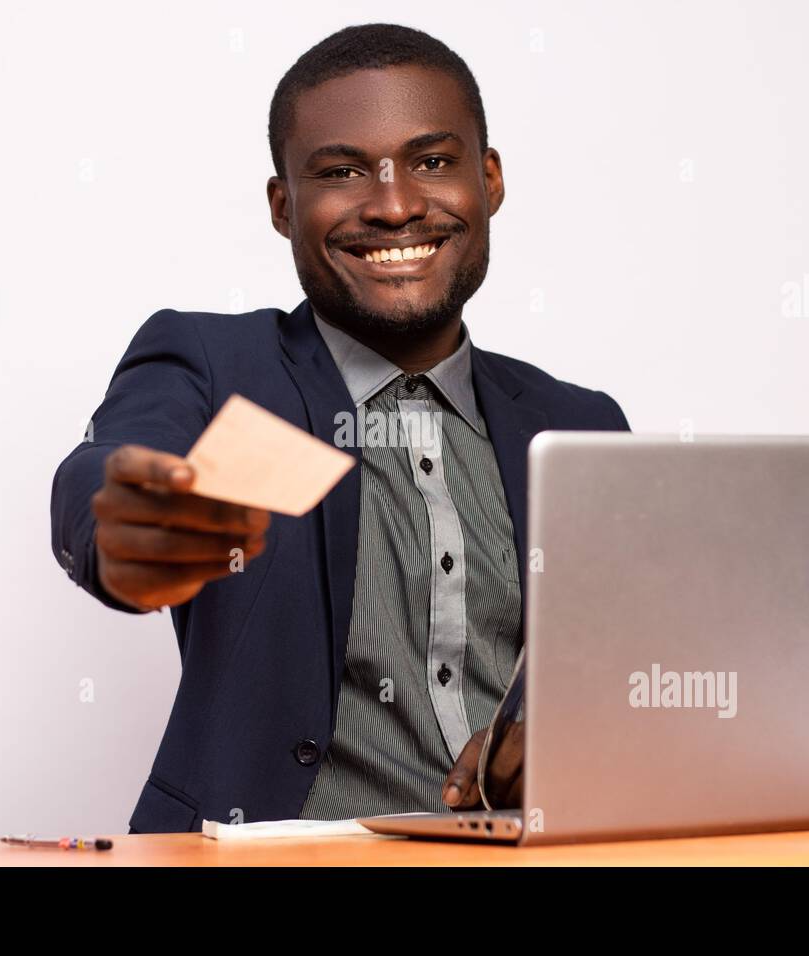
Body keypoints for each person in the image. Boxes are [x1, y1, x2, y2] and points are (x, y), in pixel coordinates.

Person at [50, 22, 629, 833]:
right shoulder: (218, 366)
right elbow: (111, 466)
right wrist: (120, 518)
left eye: (433, 162)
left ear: (488, 181)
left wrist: (573, 745)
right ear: (285, 207)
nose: (394, 206)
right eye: (343, 171)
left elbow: (623, 677)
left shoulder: (580, 425)